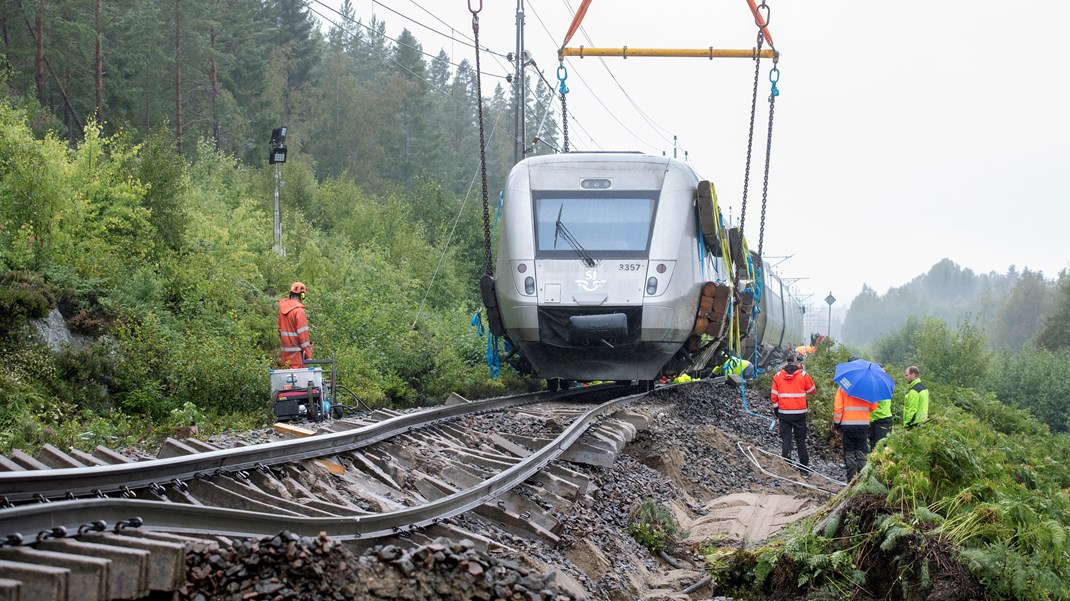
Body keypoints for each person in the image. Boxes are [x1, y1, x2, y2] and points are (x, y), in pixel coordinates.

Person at [771, 353, 816, 473]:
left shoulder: (778, 376)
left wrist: (777, 411)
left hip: (784, 413)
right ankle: (804, 468)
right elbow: (812, 390)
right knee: (800, 440)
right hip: (800, 413)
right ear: (797, 362)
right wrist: (805, 373)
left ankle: (787, 466)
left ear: (787, 361)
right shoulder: (803, 374)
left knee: (786, 438)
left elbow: (774, 396)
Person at [833, 386, 876, 480]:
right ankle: (862, 480)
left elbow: (838, 408)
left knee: (849, 452)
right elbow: (873, 407)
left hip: (848, 425)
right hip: (863, 425)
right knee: (861, 452)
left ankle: (851, 480)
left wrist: (836, 425)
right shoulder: (868, 387)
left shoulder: (843, 387)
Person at [278, 282, 313, 369]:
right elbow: (303, 337)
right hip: (297, 359)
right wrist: (308, 355)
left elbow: (279, 331)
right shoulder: (299, 311)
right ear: (302, 296)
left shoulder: (282, 311)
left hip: (285, 359)